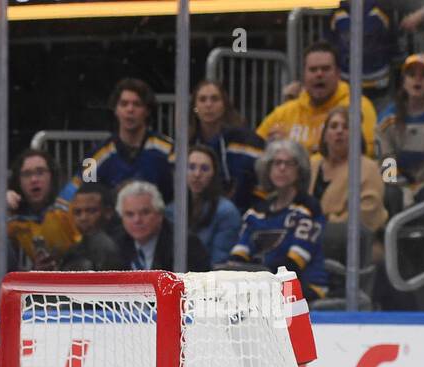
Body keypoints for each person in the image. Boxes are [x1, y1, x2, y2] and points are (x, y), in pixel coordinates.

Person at [230, 140, 329, 299]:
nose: (282, 168)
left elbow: (294, 265)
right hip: (263, 286)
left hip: (305, 286)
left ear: (300, 170)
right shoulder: (255, 212)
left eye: (289, 163)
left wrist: (257, 279)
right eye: (277, 163)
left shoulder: (309, 208)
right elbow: (239, 256)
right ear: (268, 169)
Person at [57, 78, 175, 210]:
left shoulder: (169, 150)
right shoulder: (94, 156)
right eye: (124, 104)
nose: (130, 109)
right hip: (112, 228)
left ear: (147, 111)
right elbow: (72, 192)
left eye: (137, 104)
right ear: (115, 110)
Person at [258, 41, 377, 154]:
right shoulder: (285, 113)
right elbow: (256, 145)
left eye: (325, 69)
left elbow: (366, 151)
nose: (319, 74)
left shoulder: (357, 107)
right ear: (304, 75)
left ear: (338, 74)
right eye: (313, 69)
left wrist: (290, 149)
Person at [189, 79, 265, 210]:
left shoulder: (248, 142)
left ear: (224, 105)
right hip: (195, 216)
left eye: (215, 99)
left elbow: (262, 184)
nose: (208, 105)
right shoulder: (186, 144)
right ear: (195, 107)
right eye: (202, 99)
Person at [310, 105, 387, 232]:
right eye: (333, 126)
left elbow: (366, 214)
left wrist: (325, 223)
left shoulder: (368, 168)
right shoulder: (311, 166)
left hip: (349, 241)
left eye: (346, 127)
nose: (339, 131)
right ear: (324, 136)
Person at [377, 53, 424, 204]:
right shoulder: (387, 120)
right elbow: (387, 166)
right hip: (399, 184)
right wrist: (403, 188)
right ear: (404, 82)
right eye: (411, 75)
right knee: (389, 195)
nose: (417, 80)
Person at [166, 146, 242, 266]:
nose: (197, 174)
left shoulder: (226, 211)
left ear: (214, 174)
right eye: (191, 167)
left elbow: (219, 263)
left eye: (205, 169)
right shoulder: (171, 210)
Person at [5, 148, 80, 269]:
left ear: (52, 176)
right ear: (18, 181)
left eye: (40, 172)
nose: (34, 179)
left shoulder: (70, 202)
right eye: (27, 174)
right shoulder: (14, 218)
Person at [115, 180, 211, 272]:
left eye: (145, 213)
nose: (137, 220)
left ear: (160, 214)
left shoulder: (185, 245)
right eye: (130, 214)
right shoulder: (115, 244)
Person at [58, 183, 124, 270]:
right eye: (78, 212)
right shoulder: (74, 250)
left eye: (91, 211)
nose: (83, 218)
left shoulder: (124, 245)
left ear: (108, 212)